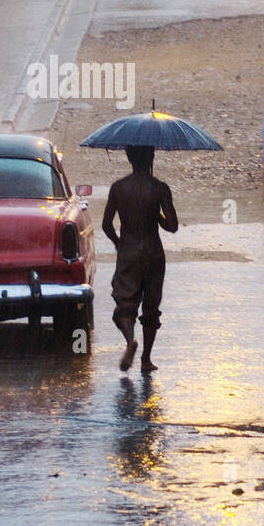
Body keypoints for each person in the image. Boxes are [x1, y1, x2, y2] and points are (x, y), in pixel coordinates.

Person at [101, 145, 178, 373]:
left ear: (129, 157)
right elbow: (172, 226)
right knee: (151, 308)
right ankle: (146, 359)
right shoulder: (160, 189)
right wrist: (156, 215)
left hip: (129, 251)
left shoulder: (118, 188)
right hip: (154, 253)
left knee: (125, 304)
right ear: (152, 157)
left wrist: (118, 243)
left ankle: (129, 340)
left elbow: (106, 225)